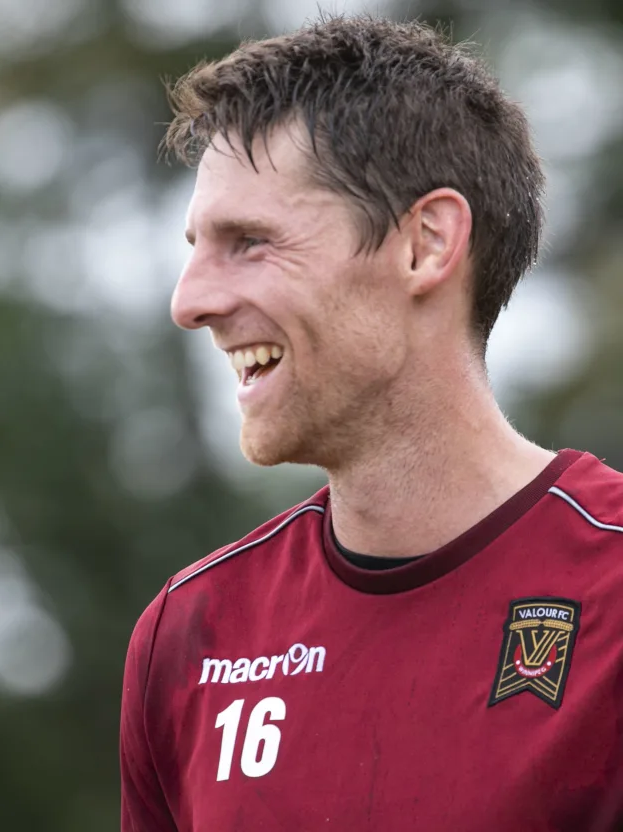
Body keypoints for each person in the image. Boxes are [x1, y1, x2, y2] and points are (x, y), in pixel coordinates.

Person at [120, 15, 623, 832]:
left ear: (426, 244)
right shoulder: (188, 634)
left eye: (249, 242)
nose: (190, 301)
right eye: (196, 246)